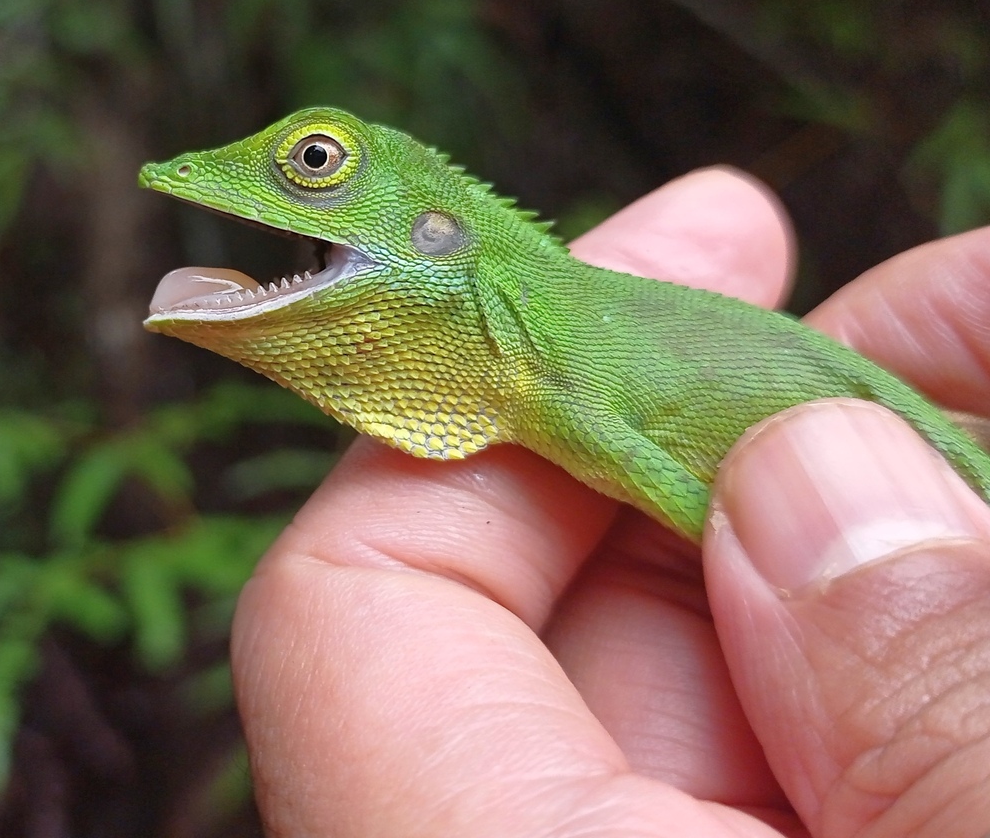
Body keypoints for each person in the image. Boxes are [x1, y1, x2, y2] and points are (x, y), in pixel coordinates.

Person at [231, 166, 990, 837]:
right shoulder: (537, 375)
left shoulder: (551, 390)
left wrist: (849, 575)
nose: (305, 177)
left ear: (437, 233)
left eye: (316, 163)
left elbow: (712, 523)